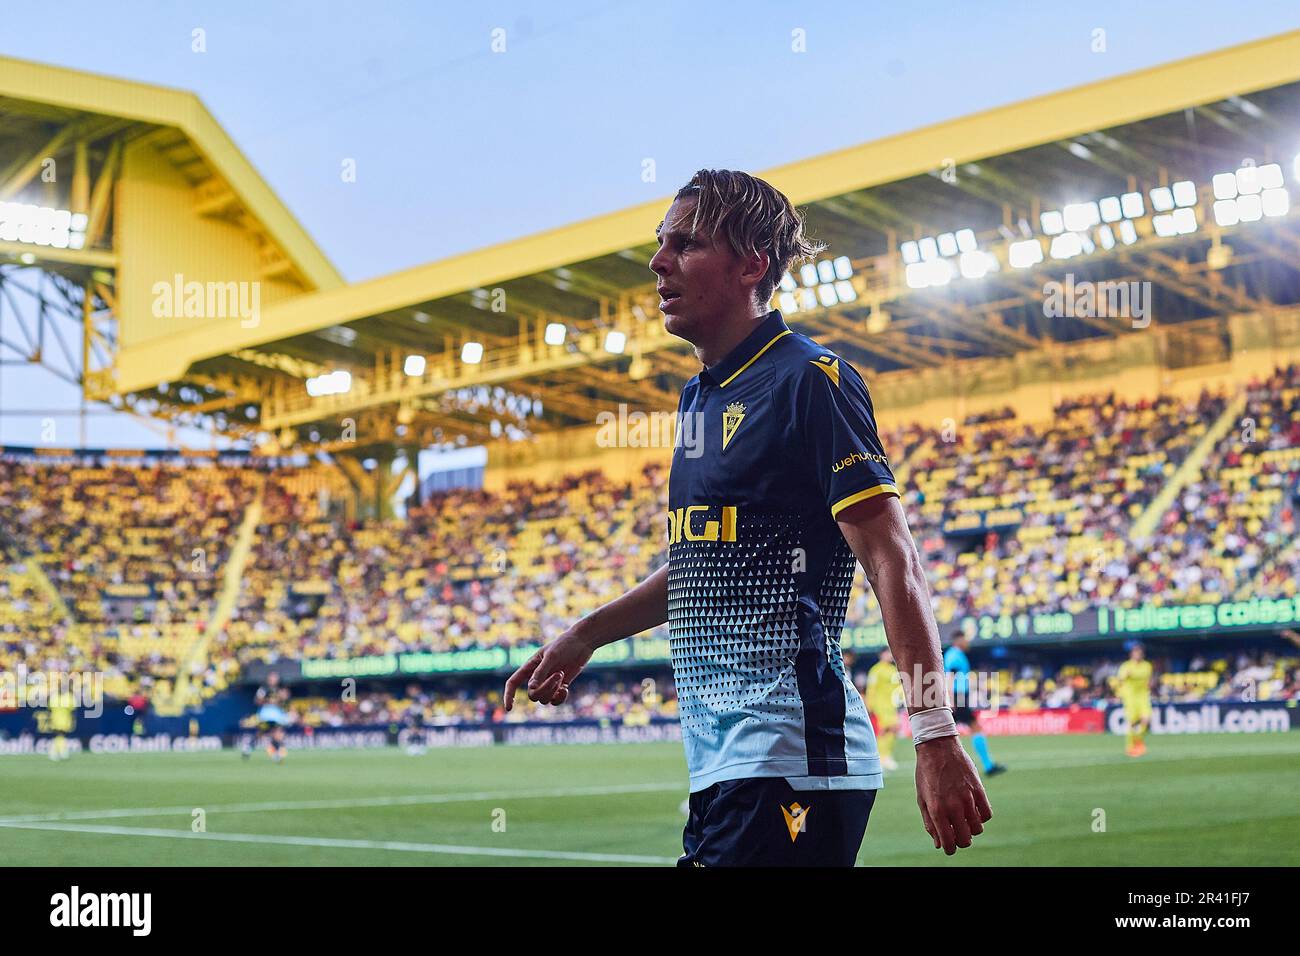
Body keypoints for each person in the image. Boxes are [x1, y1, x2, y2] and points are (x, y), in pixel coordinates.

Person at [504, 169, 991, 866]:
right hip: (724, 765)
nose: (658, 261)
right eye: (660, 243)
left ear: (752, 264)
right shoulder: (698, 401)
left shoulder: (810, 380)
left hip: (791, 757)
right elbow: (707, 566)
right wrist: (587, 633)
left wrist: (935, 731)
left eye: (685, 244)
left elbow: (893, 559)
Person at [943, 632, 1007, 776]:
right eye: (965, 639)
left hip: (960, 697)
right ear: (958, 640)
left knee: (950, 732)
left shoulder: (957, 654)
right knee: (972, 728)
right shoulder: (954, 655)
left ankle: (987, 765)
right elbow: (950, 677)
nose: (967, 642)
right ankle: (987, 765)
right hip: (958, 698)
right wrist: (951, 699)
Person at [865, 649, 901, 771]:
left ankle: (886, 755)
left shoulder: (893, 669)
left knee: (893, 729)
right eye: (887, 653)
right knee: (884, 730)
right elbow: (871, 688)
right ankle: (882, 757)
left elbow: (898, 687)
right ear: (881, 655)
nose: (890, 655)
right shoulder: (876, 670)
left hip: (891, 705)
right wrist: (869, 705)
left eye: (890, 653)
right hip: (880, 705)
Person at [1115, 642, 1153, 757]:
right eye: (1136, 652)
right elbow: (1120, 680)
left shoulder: (1147, 666)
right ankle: (1130, 746)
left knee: (1146, 720)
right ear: (1131, 654)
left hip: (1143, 697)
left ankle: (1138, 739)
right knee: (1131, 723)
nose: (1138, 654)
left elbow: (1149, 681)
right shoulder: (1126, 666)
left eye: (1140, 652)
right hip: (1130, 697)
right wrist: (1120, 693)